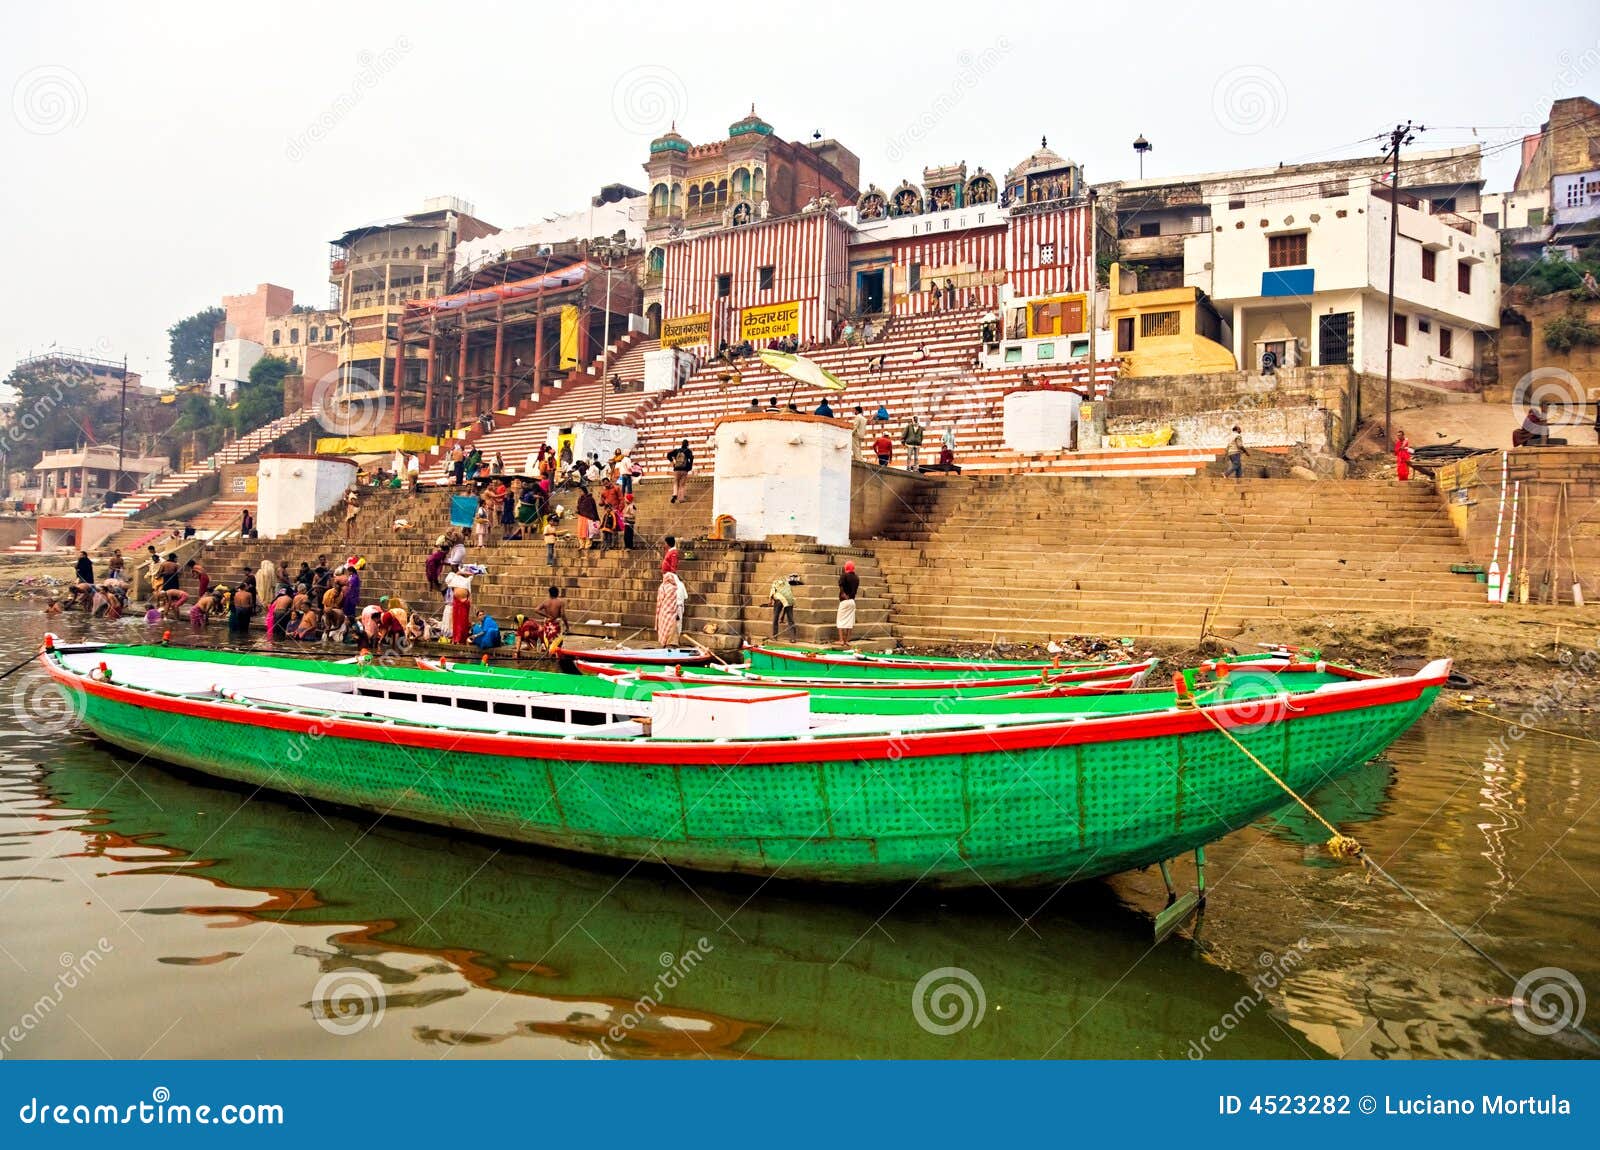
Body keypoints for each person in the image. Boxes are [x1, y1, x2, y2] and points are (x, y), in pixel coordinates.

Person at [655, 570, 687, 647]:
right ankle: (674, 642)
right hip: (676, 609)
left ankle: (666, 642)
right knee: (676, 625)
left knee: (665, 626)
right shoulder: (678, 586)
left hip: (665, 610)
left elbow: (660, 599)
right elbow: (686, 597)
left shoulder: (662, 587)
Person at [444, 564, 473, 644]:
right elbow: (447, 580)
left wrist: (467, 573)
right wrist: (459, 573)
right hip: (457, 601)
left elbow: (472, 575)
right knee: (456, 621)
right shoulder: (454, 578)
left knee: (463, 622)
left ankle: (461, 639)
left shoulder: (467, 580)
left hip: (465, 602)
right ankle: (456, 639)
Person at [837, 560, 859, 645]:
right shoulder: (856, 577)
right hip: (852, 601)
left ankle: (841, 640)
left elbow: (841, 588)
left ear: (846, 567)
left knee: (840, 621)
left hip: (844, 601)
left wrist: (844, 595)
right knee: (849, 621)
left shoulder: (844, 576)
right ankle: (847, 640)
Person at [575, 485, 599, 550]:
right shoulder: (580, 499)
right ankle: (582, 545)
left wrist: (593, 517)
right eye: (578, 491)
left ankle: (588, 545)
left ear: (584, 491)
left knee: (588, 532)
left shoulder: (590, 499)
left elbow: (593, 509)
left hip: (589, 517)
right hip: (581, 517)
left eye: (580, 491)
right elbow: (579, 507)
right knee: (581, 531)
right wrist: (577, 510)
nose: (579, 492)